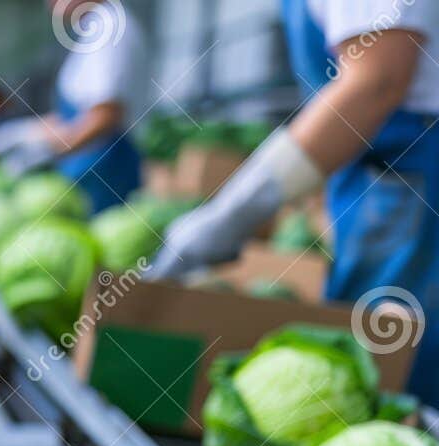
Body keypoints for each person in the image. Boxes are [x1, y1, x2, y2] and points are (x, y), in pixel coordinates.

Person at [149, 1, 438, 406]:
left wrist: (233, 214)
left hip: (413, 179)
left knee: (401, 381)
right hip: (382, 178)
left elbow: (378, 80)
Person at [0, 0, 145, 213]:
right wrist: (32, 131)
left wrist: (49, 151)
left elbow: (105, 115)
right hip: (87, 168)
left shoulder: (111, 29)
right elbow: (81, 109)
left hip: (104, 173)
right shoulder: (96, 28)